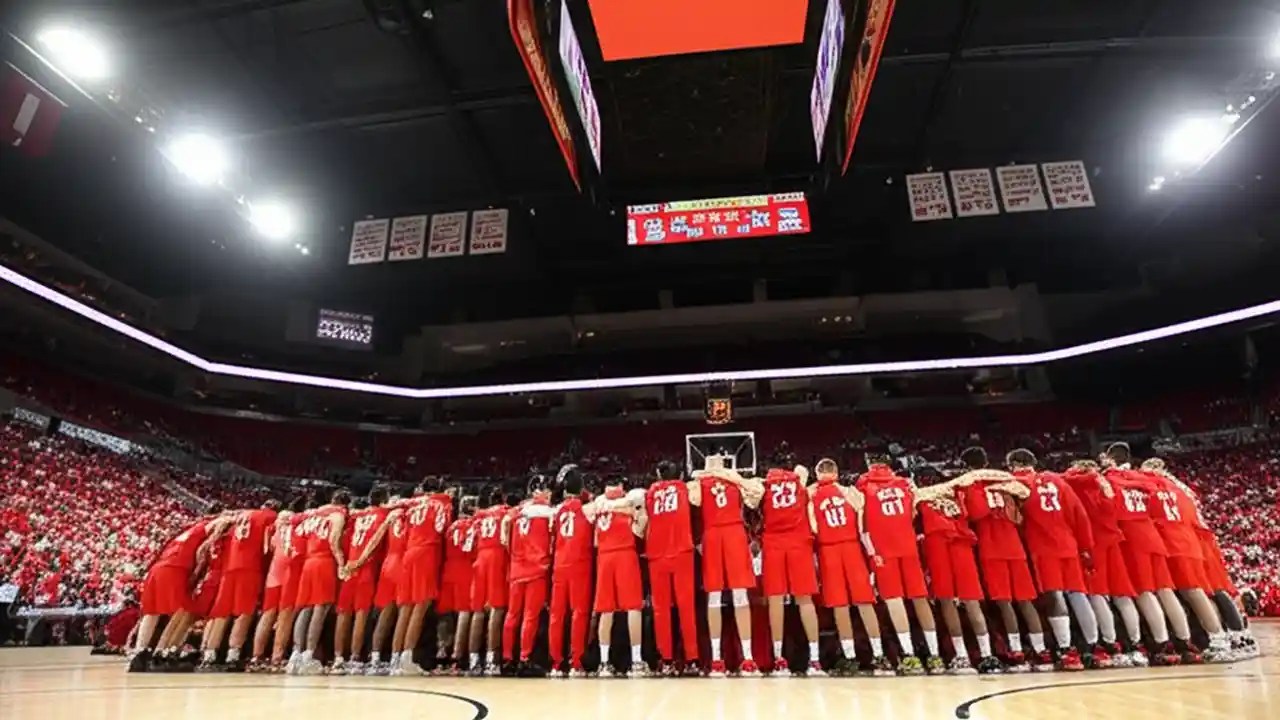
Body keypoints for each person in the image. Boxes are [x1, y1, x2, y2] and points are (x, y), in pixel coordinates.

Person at [1101, 442, 1193, 666]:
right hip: (1153, 536)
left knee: (1144, 593)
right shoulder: (1143, 480)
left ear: (1112, 459)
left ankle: (1162, 644)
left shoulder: (1109, 480)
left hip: (1132, 539)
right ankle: (1184, 641)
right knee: (1165, 591)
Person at [1006, 449, 1096, 671]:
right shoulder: (1057, 480)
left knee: (1054, 596)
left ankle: (1066, 650)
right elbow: (1079, 514)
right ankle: (1095, 648)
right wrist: (1086, 547)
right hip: (1068, 543)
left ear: (1015, 465)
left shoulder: (1017, 482)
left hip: (1043, 547)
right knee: (1078, 594)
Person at [856, 454, 944, 675]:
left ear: (869, 463)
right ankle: (935, 656)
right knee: (919, 598)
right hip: (908, 545)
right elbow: (914, 513)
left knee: (894, 600)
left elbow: (861, 522)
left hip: (882, 549)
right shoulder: (905, 484)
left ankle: (910, 655)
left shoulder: (863, 486)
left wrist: (871, 551)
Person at [958, 446, 1043, 672]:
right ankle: (1041, 649)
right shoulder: (1005, 480)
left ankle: (1016, 651)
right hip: (1015, 544)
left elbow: (975, 513)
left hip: (991, 547)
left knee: (1005, 601)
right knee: (1025, 600)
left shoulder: (971, 485)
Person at [1139, 458, 1232, 662]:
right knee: (1201, 593)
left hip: (1173, 545)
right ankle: (1219, 635)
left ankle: (1218, 638)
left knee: (1192, 592)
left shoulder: (1150, 491)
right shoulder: (1179, 491)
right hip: (1190, 543)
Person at [1061, 460, 1146, 668]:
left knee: (1097, 594)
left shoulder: (1082, 482)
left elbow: (1064, 481)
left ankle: (1110, 644)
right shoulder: (1105, 483)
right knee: (1121, 594)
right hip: (1114, 540)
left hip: (1095, 542)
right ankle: (1135, 645)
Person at [914, 478, 1001, 674]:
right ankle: (987, 655)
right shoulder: (958, 492)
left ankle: (961, 657)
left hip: (937, 546)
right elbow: (977, 512)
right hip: (962, 545)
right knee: (971, 601)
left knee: (947, 601)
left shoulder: (921, 497)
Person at [809, 461, 887, 675]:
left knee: (839, 605)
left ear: (817, 474)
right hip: (852, 547)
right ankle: (880, 656)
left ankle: (850, 657)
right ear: (836, 472)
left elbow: (812, 527)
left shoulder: (812, 495)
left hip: (828, 550)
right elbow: (863, 526)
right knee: (865, 602)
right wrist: (870, 553)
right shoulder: (850, 492)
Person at [129, 512, 232, 672]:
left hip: (159, 567)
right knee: (184, 611)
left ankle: (140, 653)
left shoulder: (188, 531)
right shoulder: (208, 526)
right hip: (176, 568)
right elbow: (209, 540)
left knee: (152, 612)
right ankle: (163, 652)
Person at [690, 455, 763, 677]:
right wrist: (735, 477)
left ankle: (716, 660)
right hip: (734, 534)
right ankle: (748, 659)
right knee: (740, 596)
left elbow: (692, 499)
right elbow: (756, 496)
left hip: (713, 535)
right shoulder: (736, 480)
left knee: (714, 598)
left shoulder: (698, 484)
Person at [760, 463, 824, 676]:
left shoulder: (764, 486)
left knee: (776, 599)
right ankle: (815, 660)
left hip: (773, 542)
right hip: (798, 540)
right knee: (804, 599)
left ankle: (779, 659)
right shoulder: (803, 486)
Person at [202, 499, 281, 671]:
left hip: (229, 568)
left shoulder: (241, 515)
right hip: (250, 567)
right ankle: (233, 655)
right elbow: (269, 546)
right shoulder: (271, 517)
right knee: (244, 613)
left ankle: (209, 656)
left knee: (221, 613)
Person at [644, 460, 701, 676]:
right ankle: (692, 660)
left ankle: (666, 660)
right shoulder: (685, 488)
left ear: (659, 475)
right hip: (682, 552)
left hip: (657, 554)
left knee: (661, 610)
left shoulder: (650, 492)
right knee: (687, 608)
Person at [392, 478, 454, 676]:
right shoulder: (442, 504)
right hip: (427, 552)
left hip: (409, 552)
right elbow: (441, 528)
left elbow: (395, 506)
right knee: (420, 606)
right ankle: (408, 658)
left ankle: (395, 659)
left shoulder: (412, 503)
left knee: (405, 609)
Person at [331, 487, 395, 675]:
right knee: (361, 614)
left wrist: (343, 562)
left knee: (343, 614)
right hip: (365, 567)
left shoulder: (356, 517)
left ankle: (338, 659)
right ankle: (355, 658)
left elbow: (341, 538)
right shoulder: (383, 514)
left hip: (349, 565)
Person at [287, 489, 350, 675]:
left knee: (306, 608)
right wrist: (341, 562)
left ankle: (295, 654)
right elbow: (334, 539)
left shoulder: (313, 514)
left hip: (308, 561)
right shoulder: (337, 514)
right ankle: (309, 655)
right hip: (324, 561)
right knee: (320, 608)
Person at [592, 479, 648, 677]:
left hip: (604, 557)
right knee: (633, 608)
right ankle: (636, 662)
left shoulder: (598, 505)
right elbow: (640, 528)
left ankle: (604, 663)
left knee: (606, 611)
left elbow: (596, 541)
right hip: (625, 554)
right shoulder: (630, 502)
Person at [502, 478, 555, 675]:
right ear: (537, 492)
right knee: (530, 616)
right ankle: (525, 658)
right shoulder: (549, 512)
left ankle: (507, 658)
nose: (549, 494)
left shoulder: (517, 511)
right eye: (546, 490)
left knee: (513, 614)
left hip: (517, 567)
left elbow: (504, 533)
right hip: (537, 568)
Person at [548, 465, 595, 677]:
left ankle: (556, 664)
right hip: (580, 565)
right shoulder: (588, 508)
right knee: (579, 614)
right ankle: (576, 662)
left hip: (559, 565)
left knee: (557, 616)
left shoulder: (556, 510)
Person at [248, 498, 302, 671]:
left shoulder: (276, 526)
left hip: (274, 572)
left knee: (267, 615)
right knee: (285, 616)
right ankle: (276, 658)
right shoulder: (299, 524)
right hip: (290, 571)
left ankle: (256, 657)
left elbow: (270, 547)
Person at [366, 495, 409, 675]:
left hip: (387, 562)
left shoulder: (388, 516)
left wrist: (360, 560)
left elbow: (375, 540)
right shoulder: (410, 515)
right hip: (403, 563)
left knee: (385, 612)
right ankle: (396, 658)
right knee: (404, 612)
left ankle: (375, 658)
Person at [471, 486, 512, 676]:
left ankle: (472, 661)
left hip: (480, 558)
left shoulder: (479, 516)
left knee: (478, 611)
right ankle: (491, 659)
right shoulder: (506, 512)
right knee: (497, 608)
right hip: (497, 557)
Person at [438, 495, 478, 673]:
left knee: (445, 613)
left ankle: (441, 653)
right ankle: (457, 656)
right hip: (466, 569)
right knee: (464, 612)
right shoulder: (474, 526)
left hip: (448, 569)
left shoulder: (451, 527)